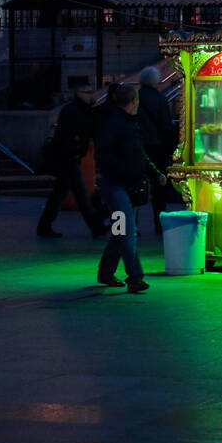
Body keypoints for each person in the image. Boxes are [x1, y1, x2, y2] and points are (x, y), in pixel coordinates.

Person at [95, 83, 165, 291]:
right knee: (126, 230)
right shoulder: (123, 124)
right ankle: (134, 276)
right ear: (134, 101)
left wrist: (153, 173)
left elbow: (134, 154)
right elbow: (135, 155)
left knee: (120, 231)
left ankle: (106, 272)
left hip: (120, 186)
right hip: (119, 187)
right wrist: (149, 172)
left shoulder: (118, 122)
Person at [37, 85, 106, 239]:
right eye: (87, 92)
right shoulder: (77, 110)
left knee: (60, 193)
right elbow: (67, 135)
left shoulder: (80, 110)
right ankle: (96, 227)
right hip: (69, 157)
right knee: (80, 195)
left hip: (69, 156)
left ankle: (44, 225)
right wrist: (74, 149)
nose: (90, 95)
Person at [137, 67, 178, 233]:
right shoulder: (160, 99)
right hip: (157, 146)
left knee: (137, 185)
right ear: (156, 81)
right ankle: (158, 223)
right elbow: (166, 125)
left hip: (139, 146)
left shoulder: (135, 97)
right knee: (159, 186)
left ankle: (132, 225)